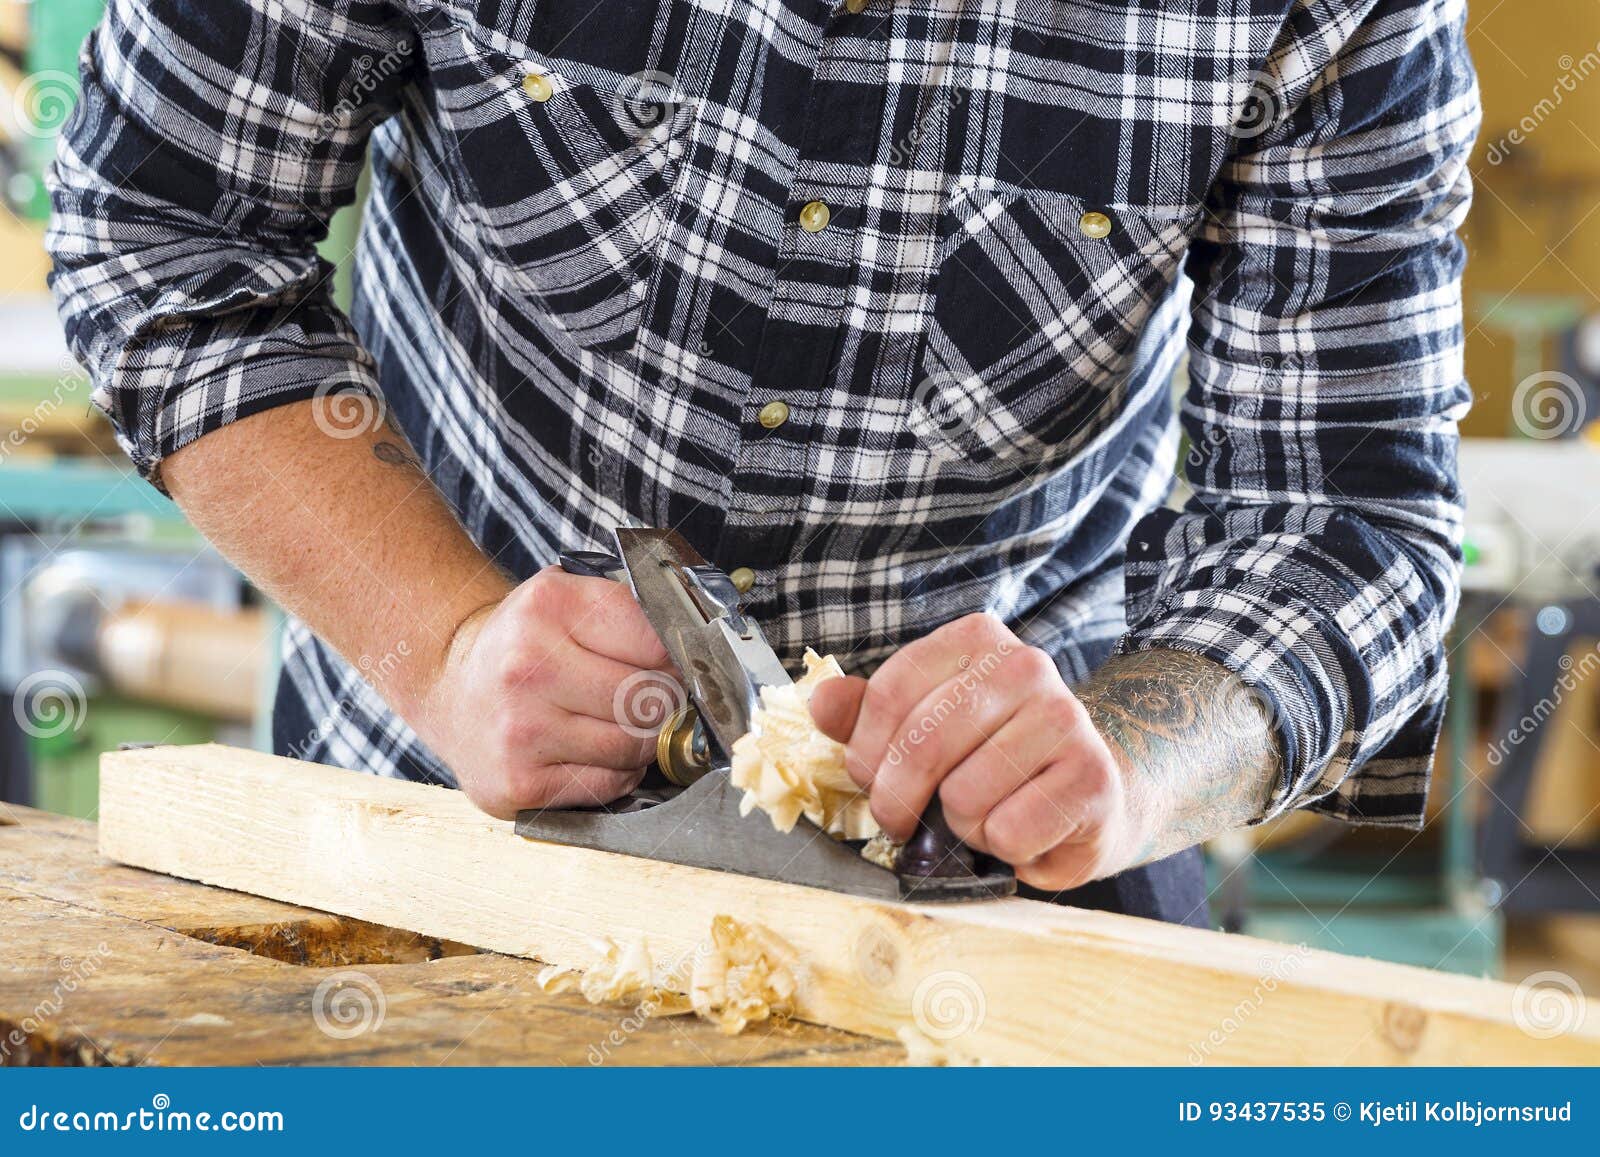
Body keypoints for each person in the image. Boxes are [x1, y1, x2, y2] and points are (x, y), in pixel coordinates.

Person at [49, 0, 1480, 926]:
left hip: (1003, 892)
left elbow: (1342, 522)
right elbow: (163, 227)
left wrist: (1125, 758)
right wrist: (443, 642)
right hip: (438, 815)